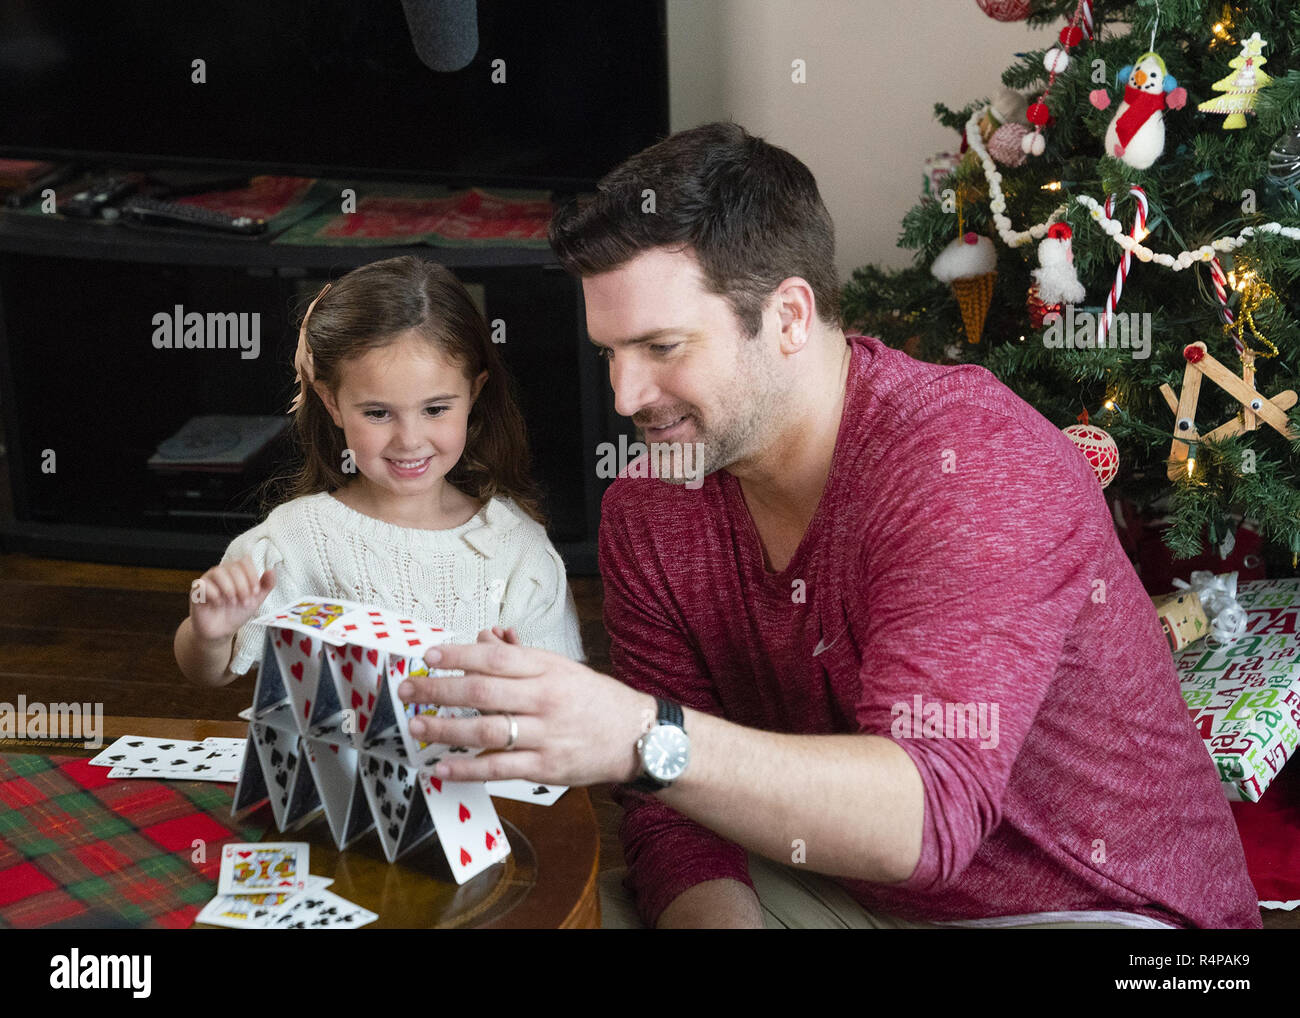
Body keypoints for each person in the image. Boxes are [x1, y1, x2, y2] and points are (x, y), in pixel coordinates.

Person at [390, 122, 1261, 931]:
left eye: (662, 348)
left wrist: (634, 732)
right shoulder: (652, 509)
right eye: (610, 354)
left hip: (1104, 915)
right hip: (843, 889)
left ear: (790, 317)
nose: (625, 398)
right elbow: (669, 806)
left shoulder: (967, 463)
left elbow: (927, 814)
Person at [174, 255, 585, 691]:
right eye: (377, 412)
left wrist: (514, 678)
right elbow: (209, 674)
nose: (409, 440)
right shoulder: (295, 540)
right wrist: (210, 634)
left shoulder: (518, 548)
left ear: (474, 393)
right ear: (331, 402)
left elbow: (566, 695)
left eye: (435, 409)